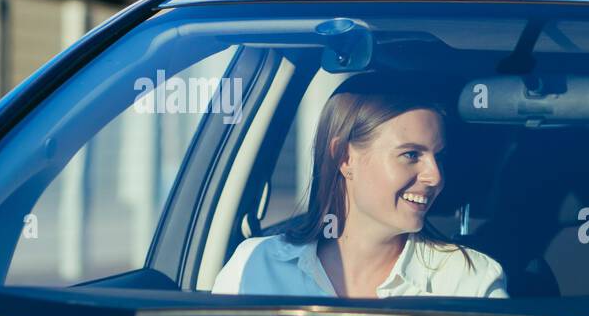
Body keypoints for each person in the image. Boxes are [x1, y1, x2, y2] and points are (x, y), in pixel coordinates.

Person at [213, 73, 506, 299]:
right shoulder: (255, 265)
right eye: (411, 155)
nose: (436, 176)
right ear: (344, 157)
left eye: (438, 156)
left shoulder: (468, 282)